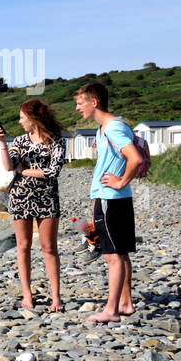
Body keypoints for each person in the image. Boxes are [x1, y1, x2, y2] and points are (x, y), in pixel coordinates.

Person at [73, 81, 142, 322]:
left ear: (95, 102)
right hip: (114, 199)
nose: (77, 108)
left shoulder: (112, 128)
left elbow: (135, 158)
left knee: (112, 255)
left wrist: (121, 181)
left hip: (110, 197)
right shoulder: (108, 127)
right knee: (120, 253)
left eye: (80, 103)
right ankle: (125, 303)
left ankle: (110, 310)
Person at [0, 99, 67, 311]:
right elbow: (9, 166)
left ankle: (56, 297)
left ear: (33, 118)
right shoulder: (19, 141)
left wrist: (24, 171)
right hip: (20, 197)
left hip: (47, 198)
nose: (19, 121)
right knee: (23, 246)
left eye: (22, 117)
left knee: (49, 247)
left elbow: (53, 171)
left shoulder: (56, 141)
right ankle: (27, 294)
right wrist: (2, 143)